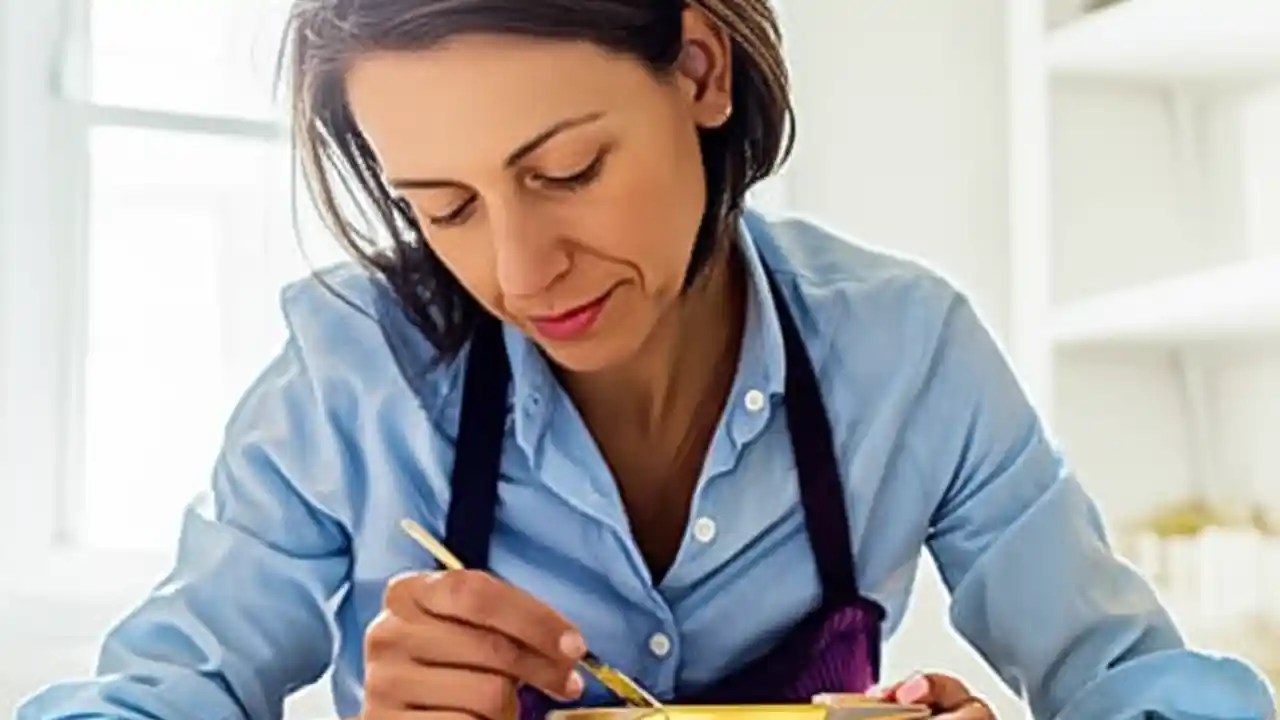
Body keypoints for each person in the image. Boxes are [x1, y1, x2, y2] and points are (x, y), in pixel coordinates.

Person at [19, 1, 1277, 719]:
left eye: (565, 171)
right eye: (442, 207)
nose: (519, 272)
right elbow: (152, 696)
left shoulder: (907, 356)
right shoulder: (350, 380)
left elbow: (1128, 678)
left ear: (699, 69)